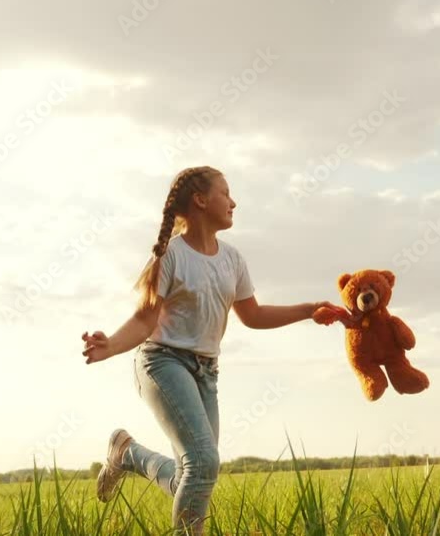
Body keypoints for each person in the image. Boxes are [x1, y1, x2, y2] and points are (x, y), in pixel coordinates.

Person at [80, 165, 346, 534]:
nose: (233, 201)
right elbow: (145, 320)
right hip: (162, 362)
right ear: (201, 200)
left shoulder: (232, 259)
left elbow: (252, 314)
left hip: (206, 371)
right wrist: (109, 346)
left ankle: (127, 454)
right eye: (226, 193)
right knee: (203, 464)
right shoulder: (169, 255)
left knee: (193, 477)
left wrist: (307, 311)